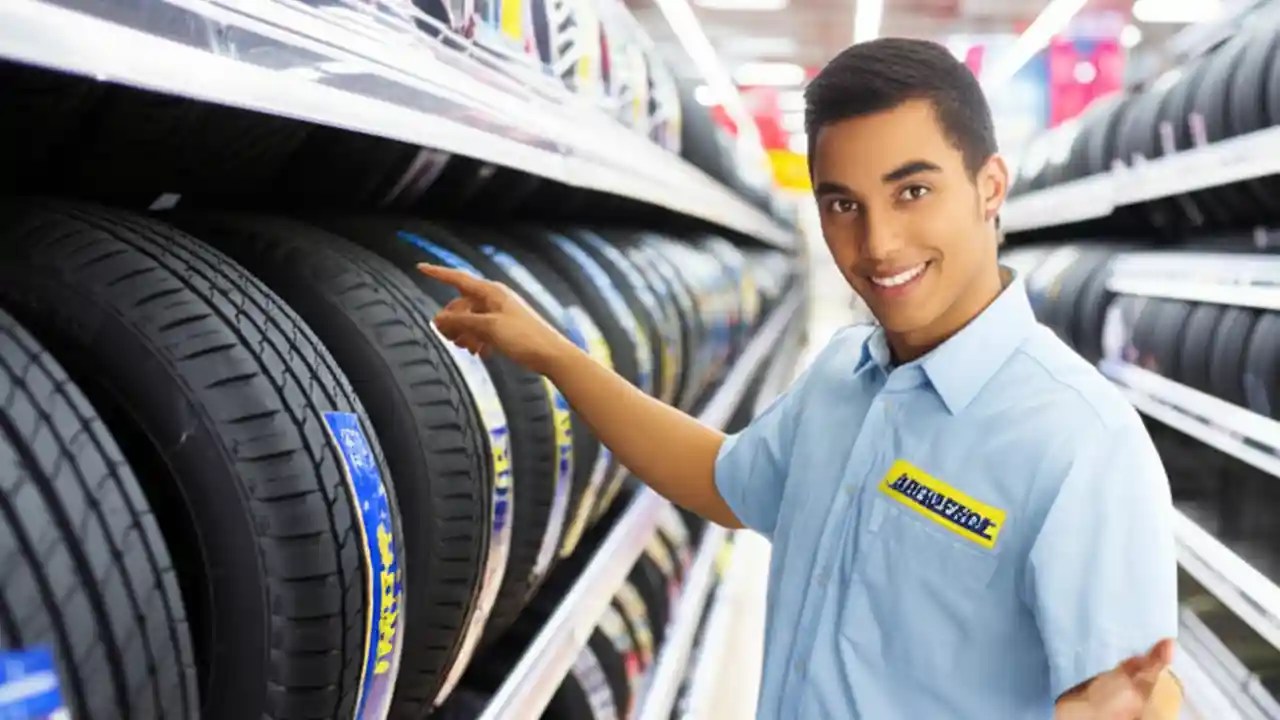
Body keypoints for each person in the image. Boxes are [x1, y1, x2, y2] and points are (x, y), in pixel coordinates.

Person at [419, 38, 1181, 719]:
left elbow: (1132, 690)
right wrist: (553, 353)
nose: (878, 243)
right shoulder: (842, 377)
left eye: (913, 191)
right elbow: (720, 479)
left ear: (989, 187)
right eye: (843, 204)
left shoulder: (1084, 444)